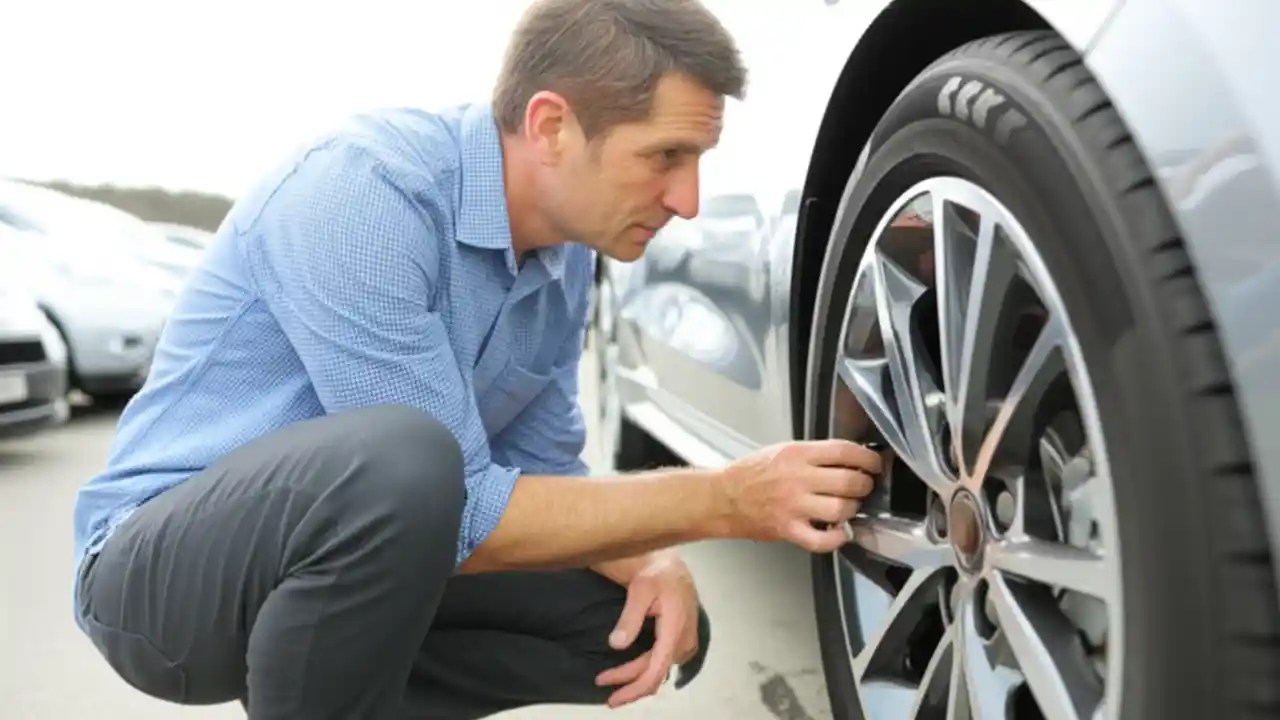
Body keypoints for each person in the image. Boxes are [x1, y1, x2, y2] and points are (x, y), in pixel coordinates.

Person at [70, 0, 882, 717]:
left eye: (698, 162)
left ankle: (330, 693)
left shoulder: (564, 264)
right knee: (408, 459)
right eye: (665, 157)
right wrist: (727, 501)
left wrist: (655, 557)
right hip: (158, 582)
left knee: (630, 627)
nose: (688, 200)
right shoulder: (366, 191)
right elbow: (458, 510)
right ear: (552, 126)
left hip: (347, 564)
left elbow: (542, 480)